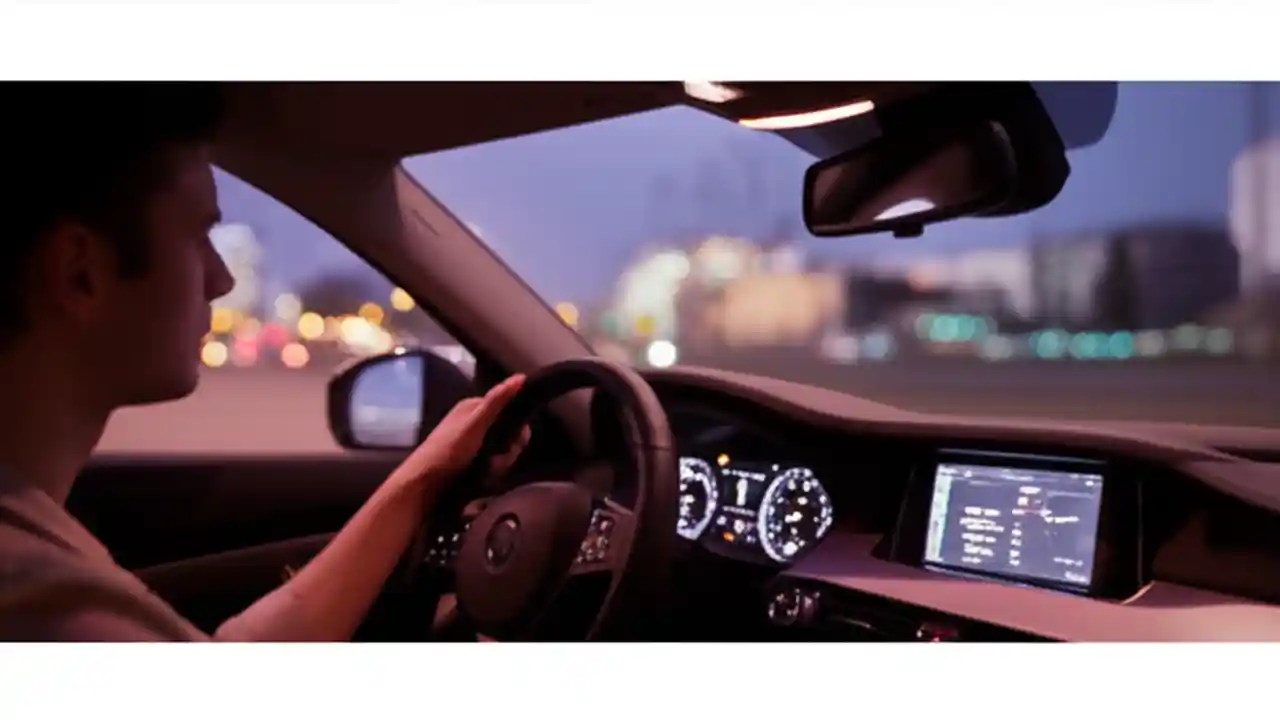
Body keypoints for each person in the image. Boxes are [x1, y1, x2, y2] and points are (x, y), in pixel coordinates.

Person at [0, 83, 527, 641]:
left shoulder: (36, 561)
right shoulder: (45, 605)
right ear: (79, 272)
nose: (220, 278)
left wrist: (425, 475)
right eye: (198, 235)